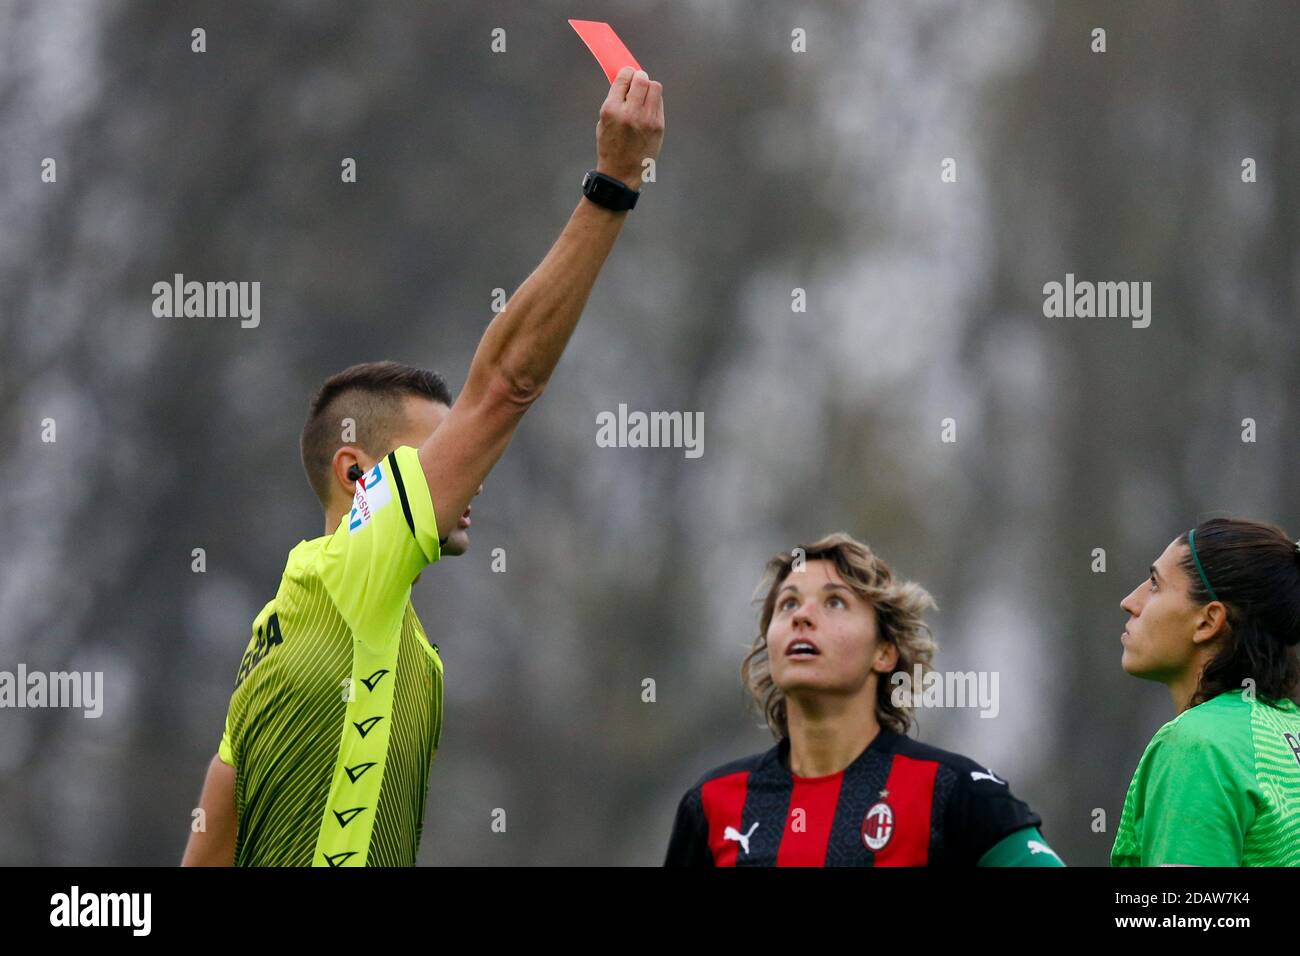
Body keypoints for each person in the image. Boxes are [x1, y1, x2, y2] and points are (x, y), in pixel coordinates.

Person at [181, 66, 665, 866]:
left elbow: (207, 854)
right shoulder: (359, 568)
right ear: (356, 476)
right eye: (430, 456)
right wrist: (614, 182)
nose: (468, 473)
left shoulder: (282, 626)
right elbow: (507, 386)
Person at [664, 532, 1063, 866]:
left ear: (884, 652)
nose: (802, 617)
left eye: (834, 602)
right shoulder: (713, 803)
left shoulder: (956, 793)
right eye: (788, 604)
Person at [1112, 518, 1300, 866]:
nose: (1129, 601)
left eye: (1155, 584)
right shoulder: (1287, 730)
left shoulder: (1200, 746)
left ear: (1208, 621)